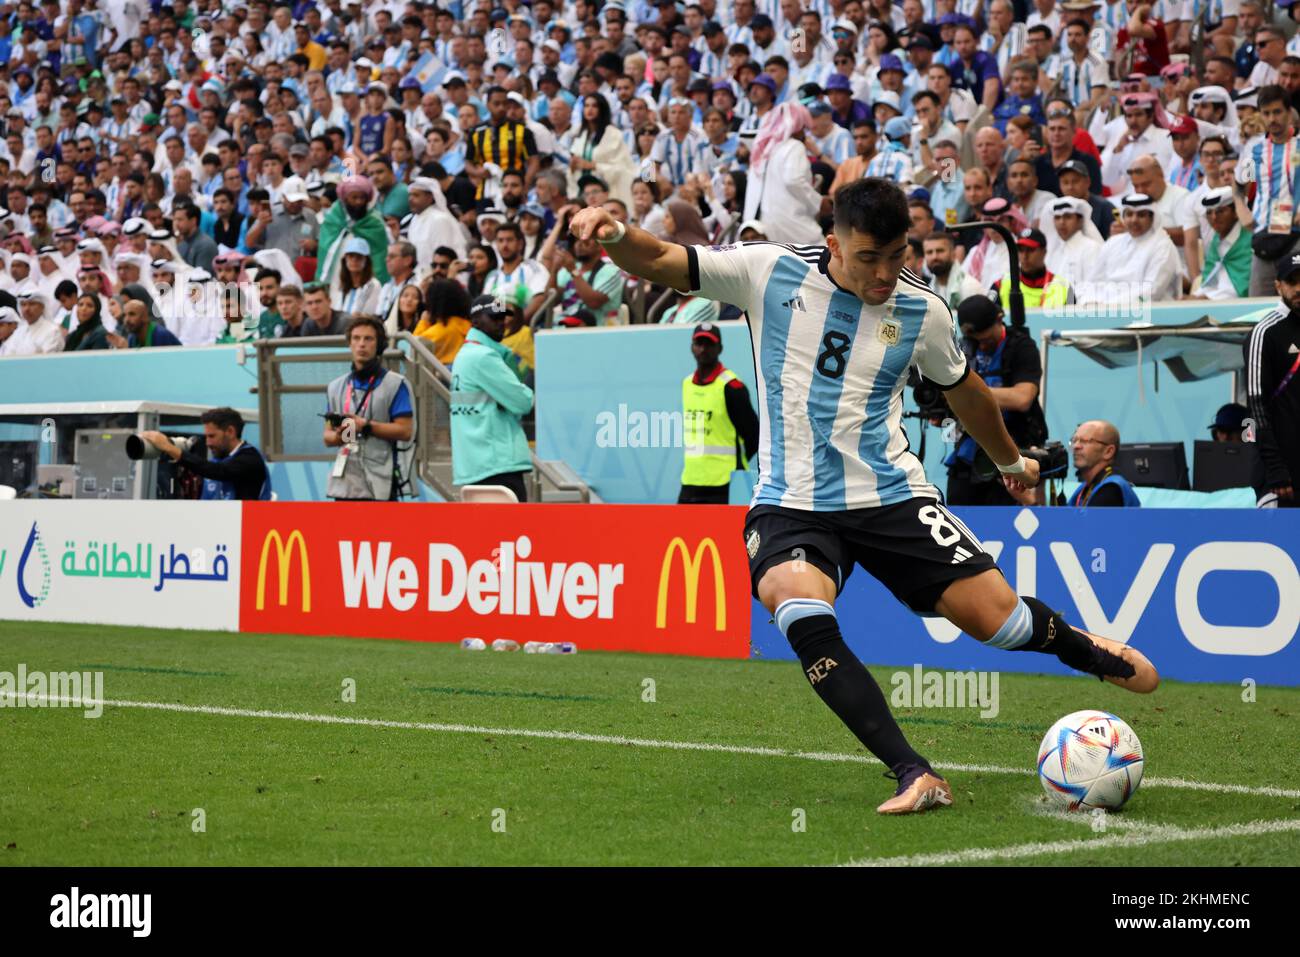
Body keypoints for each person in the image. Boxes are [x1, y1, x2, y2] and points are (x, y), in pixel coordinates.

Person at [567, 178, 1158, 815]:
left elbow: (966, 394)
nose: (884, 273)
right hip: (791, 500)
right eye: (868, 257)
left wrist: (1010, 461)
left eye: (897, 254)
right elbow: (659, 258)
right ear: (834, 245)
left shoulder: (923, 310)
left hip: (891, 495)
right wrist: (615, 233)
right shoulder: (768, 271)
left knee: (1001, 624)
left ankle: (1082, 648)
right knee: (796, 605)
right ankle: (915, 772)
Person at [943, 296, 1048, 506]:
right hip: (968, 460)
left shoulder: (1022, 347)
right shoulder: (963, 348)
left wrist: (965, 393)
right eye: (975, 340)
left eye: (984, 338)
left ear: (1000, 318)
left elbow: (1022, 398)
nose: (980, 344)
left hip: (1015, 454)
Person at [449, 295, 535, 501]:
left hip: (476, 463)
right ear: (476, 321)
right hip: (497, 464)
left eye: (503, 317)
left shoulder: (465, 354)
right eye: (494, 317)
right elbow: (524, 401)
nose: (501, 322)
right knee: (512, 532)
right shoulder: (483, 356)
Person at [323, 316, 416, 501]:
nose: (361, 344)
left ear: (379, 345)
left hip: (381, 479)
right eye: (356, 338)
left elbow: (405, 431)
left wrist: (365, 426)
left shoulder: (396, 384)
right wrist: (339, 436)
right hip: (345, 481)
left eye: (368, 339)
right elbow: (327, 436)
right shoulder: (335, 386)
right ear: (349, 344)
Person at [678, 322, 760, 504]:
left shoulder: (732, 387)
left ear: (719, 348)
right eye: (699, 344)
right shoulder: (687, 384)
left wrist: (736, 461)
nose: (703, 349)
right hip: (691, 480)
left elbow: (754, 435)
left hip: (725, 482)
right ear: (692, 347)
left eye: (709, 344)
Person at [1244, 253, 1300, 508]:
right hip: (1282, 478)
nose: (1299, 288)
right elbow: (1256, 407)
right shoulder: (1265, 332)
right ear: (1278, 285)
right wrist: (1276, 471)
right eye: (1292, 281)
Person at [137, 407, 272, 501]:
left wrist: (168, 447)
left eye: (212, 436)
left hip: (248, 532)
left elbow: (219, 471)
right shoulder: (216, 461)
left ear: (230, 432)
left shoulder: (250, 458)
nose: (207, 443)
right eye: (206, 437)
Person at [741, 103, 825, 245]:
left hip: (758, 224)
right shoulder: (794, 146)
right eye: (803, 127)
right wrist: (818, 202)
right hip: (788, 221)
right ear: (796, 127)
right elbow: (794, 181)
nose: (804, 133)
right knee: (821, 253)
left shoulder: (761, 148)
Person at [989, 228, 1073, 312]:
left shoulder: (1065, 288)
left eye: (1030, 250)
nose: (1025, 256)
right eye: (1021, 250)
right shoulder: (1000, 285)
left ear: (1044, 252)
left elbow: (1073, 323)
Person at [1063, 420, 1142, 506]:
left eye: (1085, 441)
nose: (1076, 446)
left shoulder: (1111, 489)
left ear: (1108, 452)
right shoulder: (1085, 488)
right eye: (1074, 440)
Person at [923, 230, 984, 309]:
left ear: (953, 253)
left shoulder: (969, 287)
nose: (934, 257)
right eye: (929, 252)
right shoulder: (928, 290)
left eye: (940, 251)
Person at [1, 290, 64, 356]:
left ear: (42, 307)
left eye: (32, 304)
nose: (26, 309)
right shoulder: (19, 332)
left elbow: (47, 361)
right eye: (23, 304)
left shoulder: (52, 331)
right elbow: (9, 356)